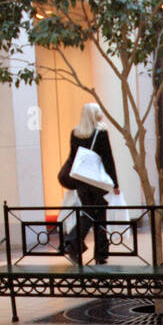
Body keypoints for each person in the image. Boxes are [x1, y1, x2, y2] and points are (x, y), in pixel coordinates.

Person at [58, 103, 120, 265]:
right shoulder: (101, 133)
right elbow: (108, 159)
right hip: (96, 181)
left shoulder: (75, 133)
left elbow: (73, 157)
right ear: (95, 115)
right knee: (99, 214)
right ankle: (82, 246)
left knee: (88, 212)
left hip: (81, 181)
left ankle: (77, 245)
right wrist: (115, 183)